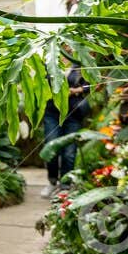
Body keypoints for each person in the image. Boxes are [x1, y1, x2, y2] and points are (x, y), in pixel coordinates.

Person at [41, 60, 90, 198]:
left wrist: (75, 90)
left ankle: (65, 186)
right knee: (51, 146)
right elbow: (42, 85)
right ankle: (52, 182)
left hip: (73, 113)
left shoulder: (81, 66)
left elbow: (91, 85)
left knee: (69, 151)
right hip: (52, 112)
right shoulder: (49, 63)